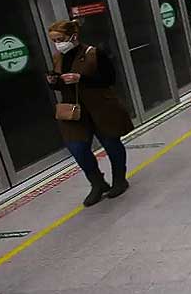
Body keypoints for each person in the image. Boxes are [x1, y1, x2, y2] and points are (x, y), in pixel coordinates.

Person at [46, 20, 134, 207]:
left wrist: (81, 78)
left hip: (100, 106)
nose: (58, 44)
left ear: (73, 36)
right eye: (54, 40)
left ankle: (119, 179)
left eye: (60, 39)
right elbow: (59, 85)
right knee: (77, 148)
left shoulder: (94, 53)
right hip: (73, 110)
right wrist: (54, 81)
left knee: (111, 142)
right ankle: (97, 183)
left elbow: (110, 78)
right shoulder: (57, 58)